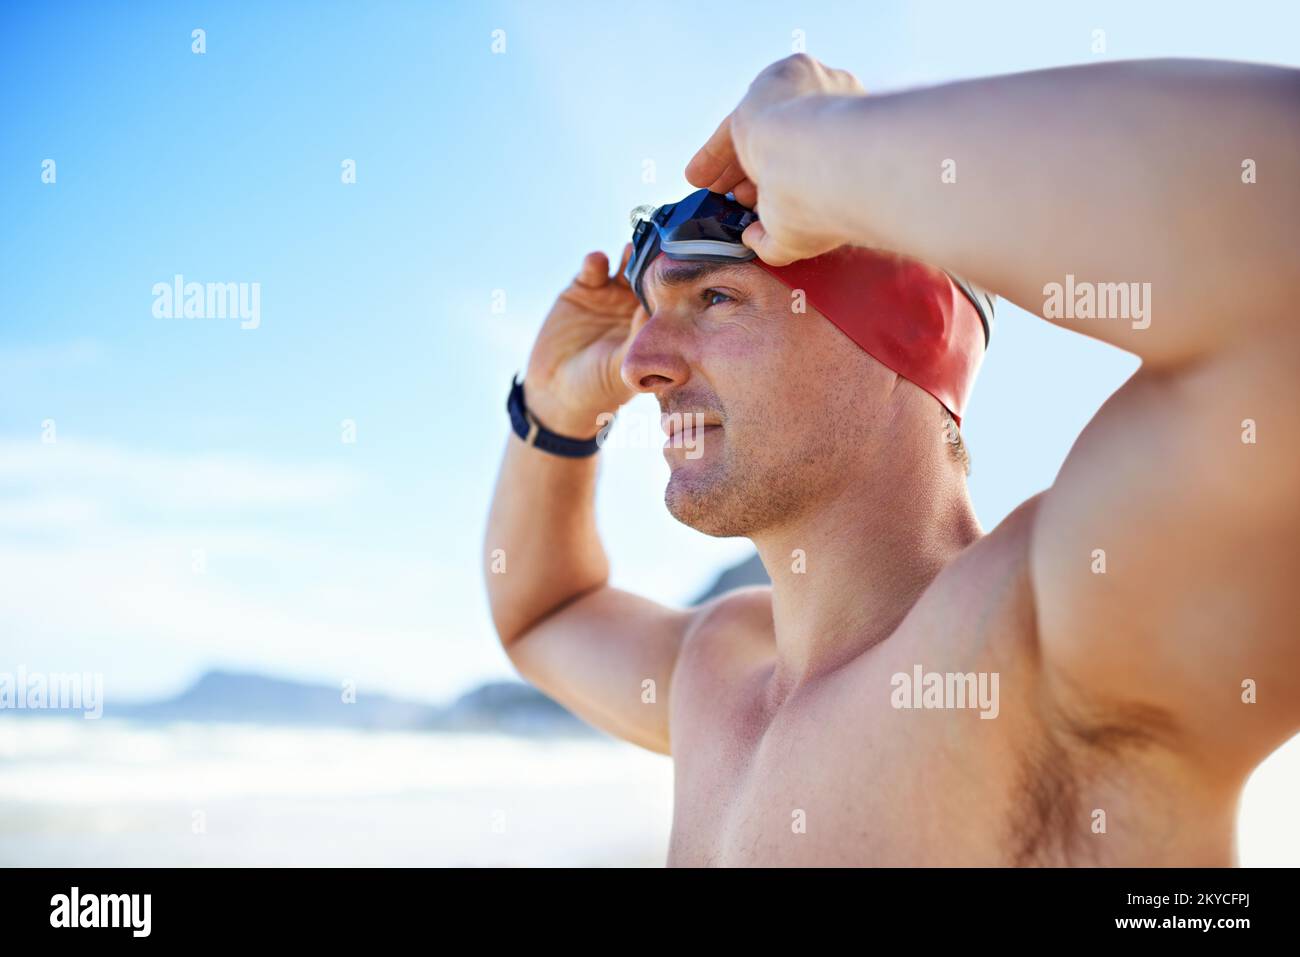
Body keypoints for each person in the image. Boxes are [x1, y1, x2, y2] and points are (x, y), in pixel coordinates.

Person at [484, 55, 1300, 865]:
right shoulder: (719, 671)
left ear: (908, 337)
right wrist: (553, 414)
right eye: (649, 315)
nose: (638, 366)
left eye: (714, 299)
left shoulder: (1050, 640)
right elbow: (541, 612)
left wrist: (821, 144)